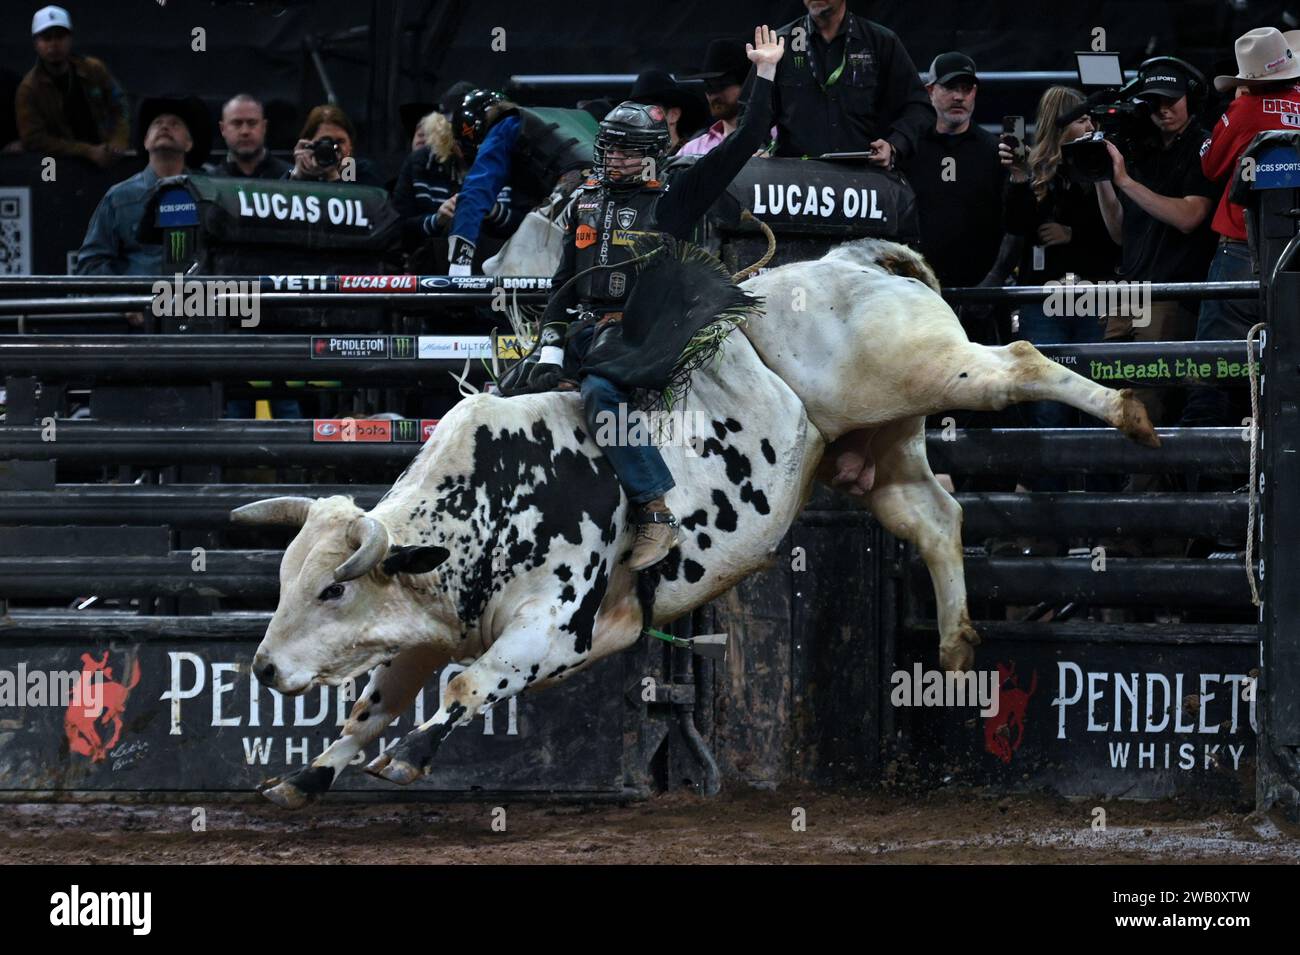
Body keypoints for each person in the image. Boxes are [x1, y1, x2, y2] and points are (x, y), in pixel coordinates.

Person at [522, 25, 784, 571]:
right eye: (608, 148)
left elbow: (747, 136)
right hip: (589, 329)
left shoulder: (677, 196)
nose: (612, 159)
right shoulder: (585, 203)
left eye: (623, 150)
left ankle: (655, 510)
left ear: (647, 155)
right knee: (513, 387)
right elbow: (562, 286)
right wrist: (548, 349)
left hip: (645, 332)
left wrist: (764, 72)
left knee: (598, 392)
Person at [1180, 27, 1300, 429]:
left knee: (1214, 366)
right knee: (1288, 363)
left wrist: (1236, 111)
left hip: (1242, 251)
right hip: (1295, 254)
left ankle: (1205, 467)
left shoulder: (1245, 112)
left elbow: (1210, 165)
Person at [1000, 86, 1119, 490]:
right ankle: (1051, 522)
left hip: (1092, 294)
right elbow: (1017, 229)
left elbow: (1121, 234)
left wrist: (1074, 234)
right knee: (1049, 406)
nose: (1090, 125)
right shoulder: (1035, 168)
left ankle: (1101, 516)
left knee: (1095, 403)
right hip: (1042, 297)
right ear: (1060, 124)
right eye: (1081, 119)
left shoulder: (1101, 164)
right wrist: (1018, 179)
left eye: (1091, 119)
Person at [1094, 59, 1216, 433]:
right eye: (1154, 102)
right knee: (1105, 401)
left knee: (1148, 406)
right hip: (1128, 290)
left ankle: (1147, 490)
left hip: (1172, 293)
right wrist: (1101, 177)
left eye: (1171, 100)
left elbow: (1189, 216)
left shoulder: (1203, 144)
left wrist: (1125, 181)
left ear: (1189, 99)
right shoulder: (1140, 150)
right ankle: (1122, 488)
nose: (1163, 109)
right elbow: (1120, 233)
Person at [746, 0, 932, 168]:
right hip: (798, 185)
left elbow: (918, 106)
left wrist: (894, 145)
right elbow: (748, 111)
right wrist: (759, 149)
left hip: (866, 183)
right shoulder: (780, 46)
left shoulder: (880, 42)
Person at [445, 90, 595, 274]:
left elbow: (475, 191)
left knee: (513, 275)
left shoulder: (506, 126)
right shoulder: (563, 120)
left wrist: (459, 264)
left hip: (576, 188)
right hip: (616, 193)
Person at [74, 96, 211, 275]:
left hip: (199, 299)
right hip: (139, 300)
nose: (165, 127)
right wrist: (127, 294)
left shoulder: (209, 193)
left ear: (189, 143)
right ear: (145, 141)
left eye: (175, 124)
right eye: (157, 123)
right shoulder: (119, 197)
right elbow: (90, 265)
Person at [906, 52, 1006, 293]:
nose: (959, 96)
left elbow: (1012, 225)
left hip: (978, 290)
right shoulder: (910, 149)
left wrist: (993, 280)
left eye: (967, 88)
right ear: (930, 91)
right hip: (918, 288)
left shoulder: (995, 152)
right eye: (950, 87)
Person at [15, 5, 129, 168]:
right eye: (47, 38)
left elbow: (120, 104)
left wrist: (118, 141)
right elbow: (33, 138)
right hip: (59, 166)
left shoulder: (93, 70)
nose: (54, 44)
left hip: (107, 159)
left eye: (60, 36)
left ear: (70, 39)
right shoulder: (29, 89)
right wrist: (87, 151)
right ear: (36, 43)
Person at [678, 38, 752, 157]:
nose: (713, 95)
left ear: (747, 85)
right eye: (708, 86)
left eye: (722, 85)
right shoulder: (691, 150)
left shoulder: (778, 140)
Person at [285, 104, 384, 187]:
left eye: (340, 141)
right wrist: (295, 177)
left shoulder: (363, 172)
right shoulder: (301, 172)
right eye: (325, 141)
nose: (333, 148)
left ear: (351, 144)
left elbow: (364, 206)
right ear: (308, 145)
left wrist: (332, 177)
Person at [203, 94, 290, 179]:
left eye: (252, 123)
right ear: (223, 129)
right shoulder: (208, 183)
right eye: (237, 123)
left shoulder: (290, 177)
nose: (245, 131)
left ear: (264, 127)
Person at [628, 69, 708, 154]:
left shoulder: (694, 156)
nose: (641, 116)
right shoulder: (628, 160)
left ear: (674, 115)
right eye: (635, 110)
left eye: (650, 109)